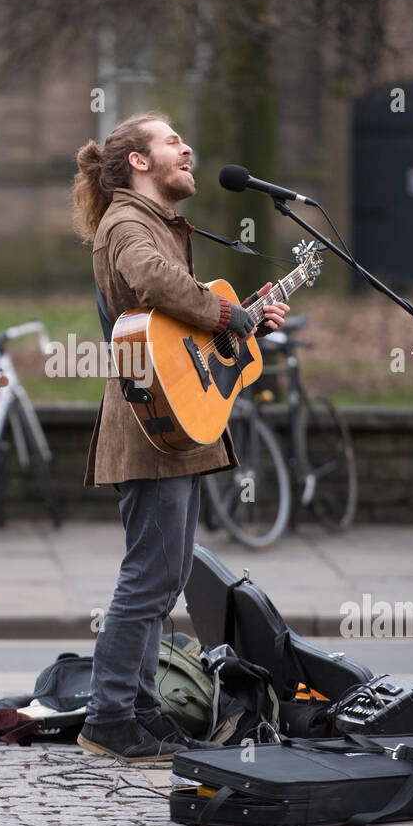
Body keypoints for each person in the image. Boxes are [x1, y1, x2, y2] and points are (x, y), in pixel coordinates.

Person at [72, 113, 289, 763]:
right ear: (139, 162)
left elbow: (177, 332)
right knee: (149, 576)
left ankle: (139, 708)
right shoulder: (127, 224)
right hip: (149, 426)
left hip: (170, 418)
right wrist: (230, 313)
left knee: (163, 578)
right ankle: (107, 716)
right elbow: (154, 283)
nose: (187, 147)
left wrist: (243, 326)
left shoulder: (157, 224)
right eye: (171, 141)